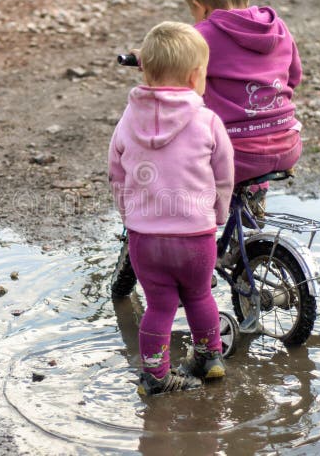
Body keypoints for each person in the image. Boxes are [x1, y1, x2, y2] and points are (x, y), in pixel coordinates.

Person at [108, 21, 234, 395]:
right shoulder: (208, 120)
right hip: (196, 234)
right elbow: (224, 174)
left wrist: (128, 215)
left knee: (159, 307)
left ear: (144, 69)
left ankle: (155, 376)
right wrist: (220, 213)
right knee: (199, 296)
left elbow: (116, 172)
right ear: (197, 75)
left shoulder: (128, 120)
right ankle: (209, 358)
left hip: (146, 239)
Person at [183, 0, 303, 215]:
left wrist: (145, 59)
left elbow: (173, 62)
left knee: (183, 153)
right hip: (288, 143)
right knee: (254, 137)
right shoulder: (278, 28)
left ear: (201, 7)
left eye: (194, 13)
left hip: (236, 154)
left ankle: (192, 226)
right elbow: (294, 76)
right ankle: (253, 198)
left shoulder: (204, 34)